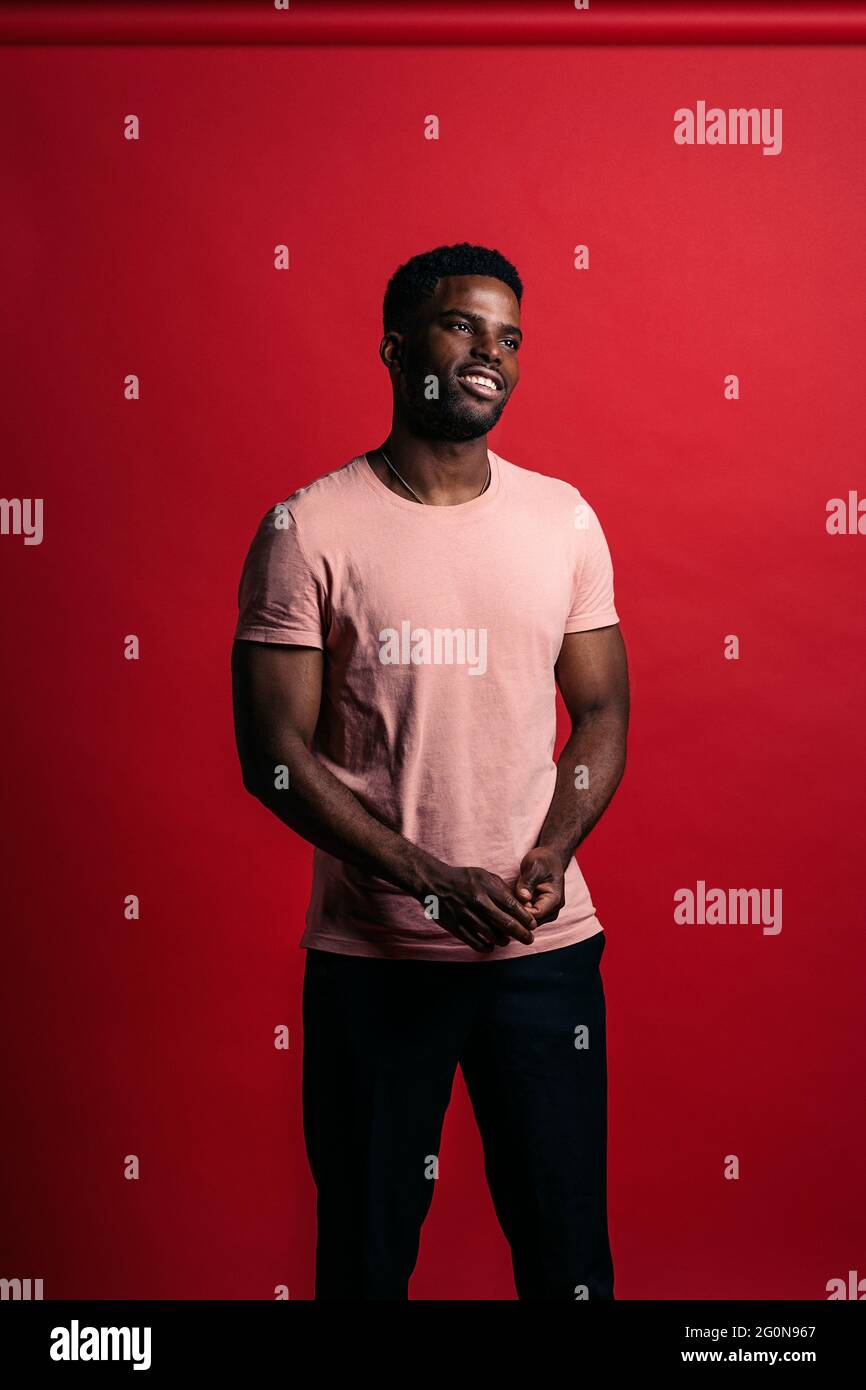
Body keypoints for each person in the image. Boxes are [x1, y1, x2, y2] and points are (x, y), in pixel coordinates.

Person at [231, 242, 630, 1300]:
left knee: (567, 1257)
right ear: (394, 345)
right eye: (461, 327)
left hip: (541, 959)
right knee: (364, 1260)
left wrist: (550, 850)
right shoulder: (307, 527)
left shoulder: (563, 519)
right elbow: (271, 759)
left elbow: (598, 712)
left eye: (507, 337)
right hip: (374, 960)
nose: (488, 354)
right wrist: (426, 876)